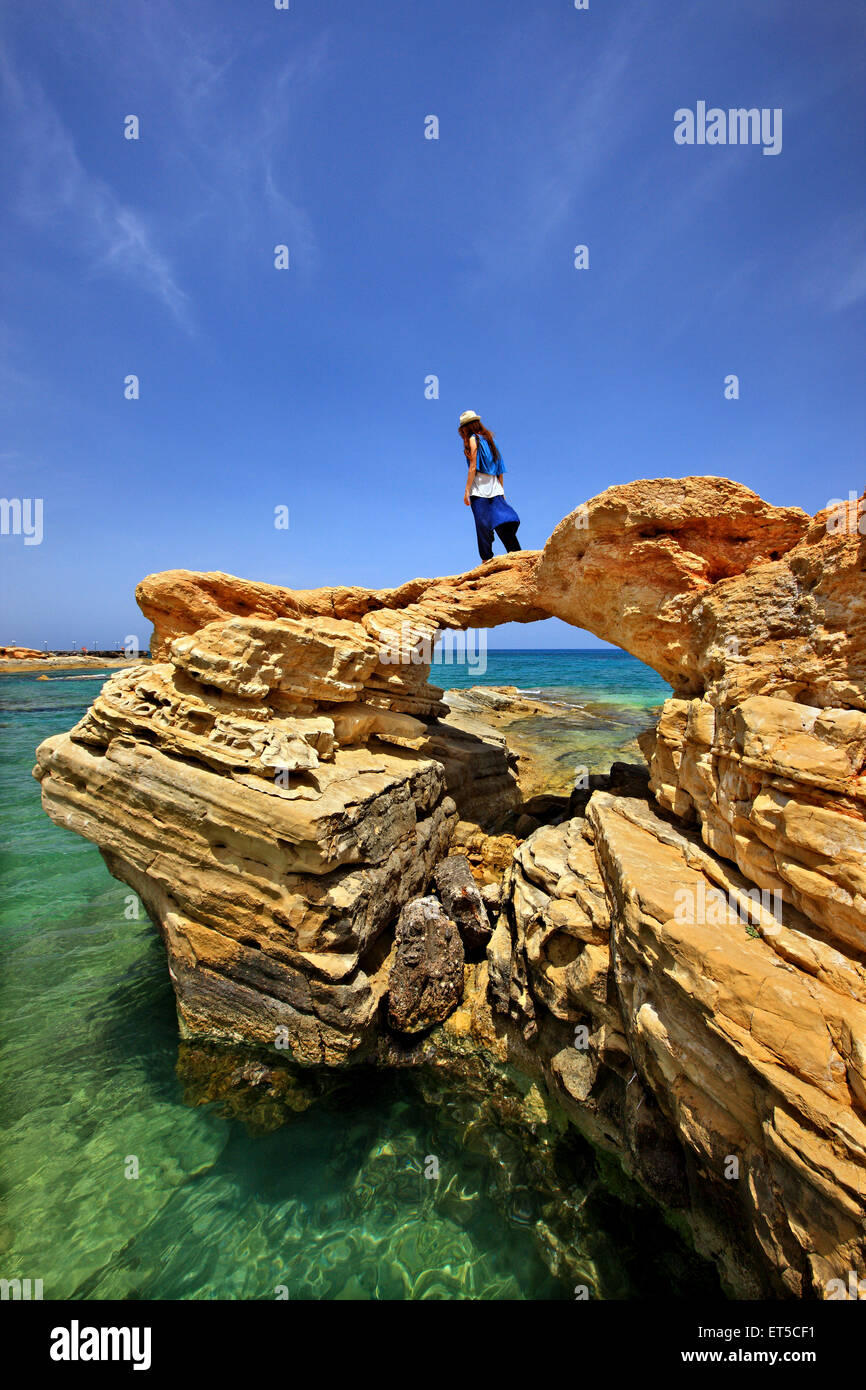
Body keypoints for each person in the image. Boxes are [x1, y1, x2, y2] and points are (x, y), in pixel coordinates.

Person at [458, 410, 522, 562]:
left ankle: (486, 559)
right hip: (495, 488)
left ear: (465, 428)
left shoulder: (473, 439)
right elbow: (500, 467)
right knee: (504, 522)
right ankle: (516, 554)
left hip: (479, 489)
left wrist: (467, 490)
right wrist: (501, 488)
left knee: (482, 525)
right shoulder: (490, 439)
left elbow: (473, 466)